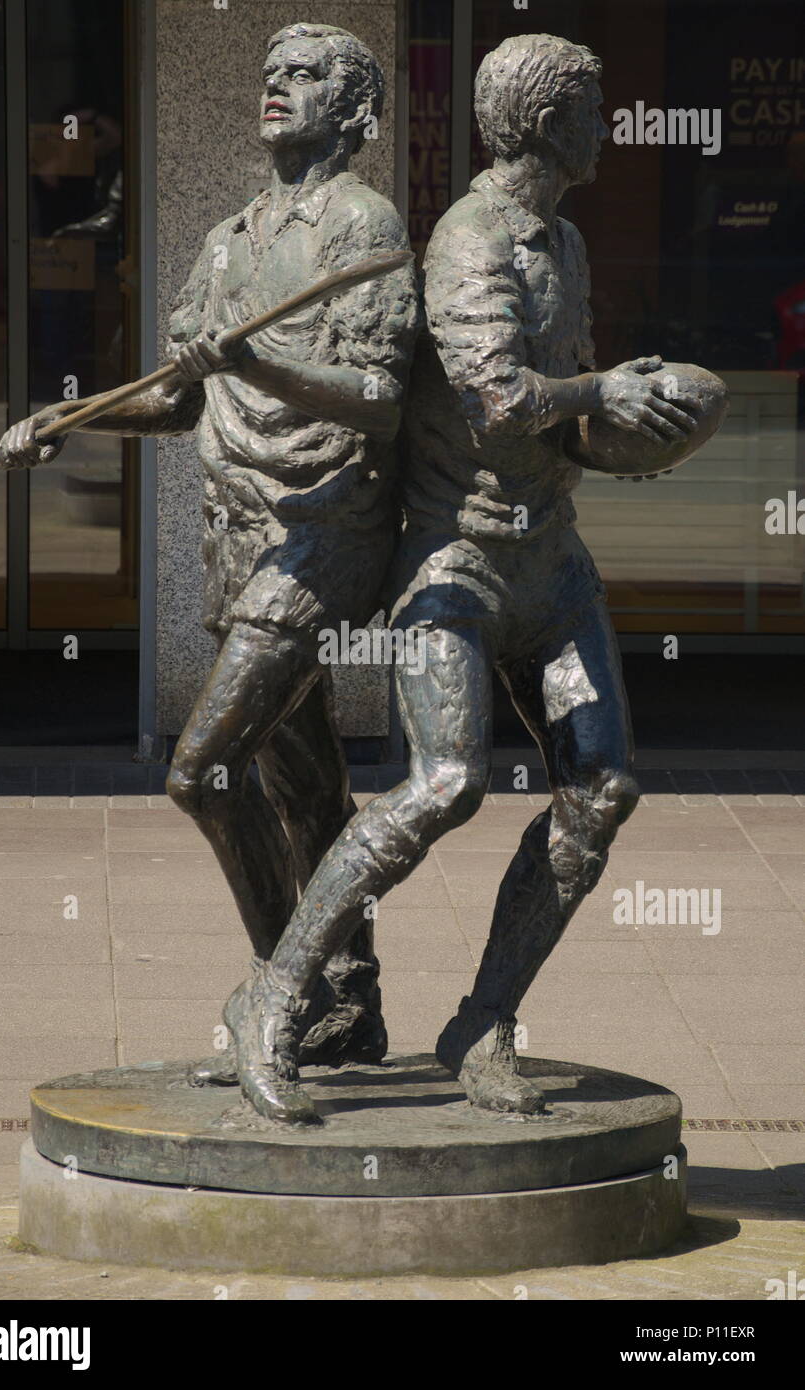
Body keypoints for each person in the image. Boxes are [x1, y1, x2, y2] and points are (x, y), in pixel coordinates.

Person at [225, 32, 701, 1124]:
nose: (605, 121)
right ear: (542, 121)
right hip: (456, 566)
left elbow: (568, 421)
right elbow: (495, 395)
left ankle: (481, 1019)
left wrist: (639, 433)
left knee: (601, 790)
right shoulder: (467, 239)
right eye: (589, 103)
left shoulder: (565, 242)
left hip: (550, 563)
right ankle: (277, 995)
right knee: (445, 784)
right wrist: (601, 393)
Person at [0, 23, 419, 1090]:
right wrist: (74, 416)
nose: (276, 86)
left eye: (307, 74)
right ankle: (349, 1007)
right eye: (270, 73)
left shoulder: (362, 226)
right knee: (307, 787)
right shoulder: (228, 238)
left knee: (202, 772)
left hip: (322, 532)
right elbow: (179, 397)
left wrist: (262, 360)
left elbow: (380, 395)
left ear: (356, 109)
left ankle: (286, 986)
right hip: (236, 536)